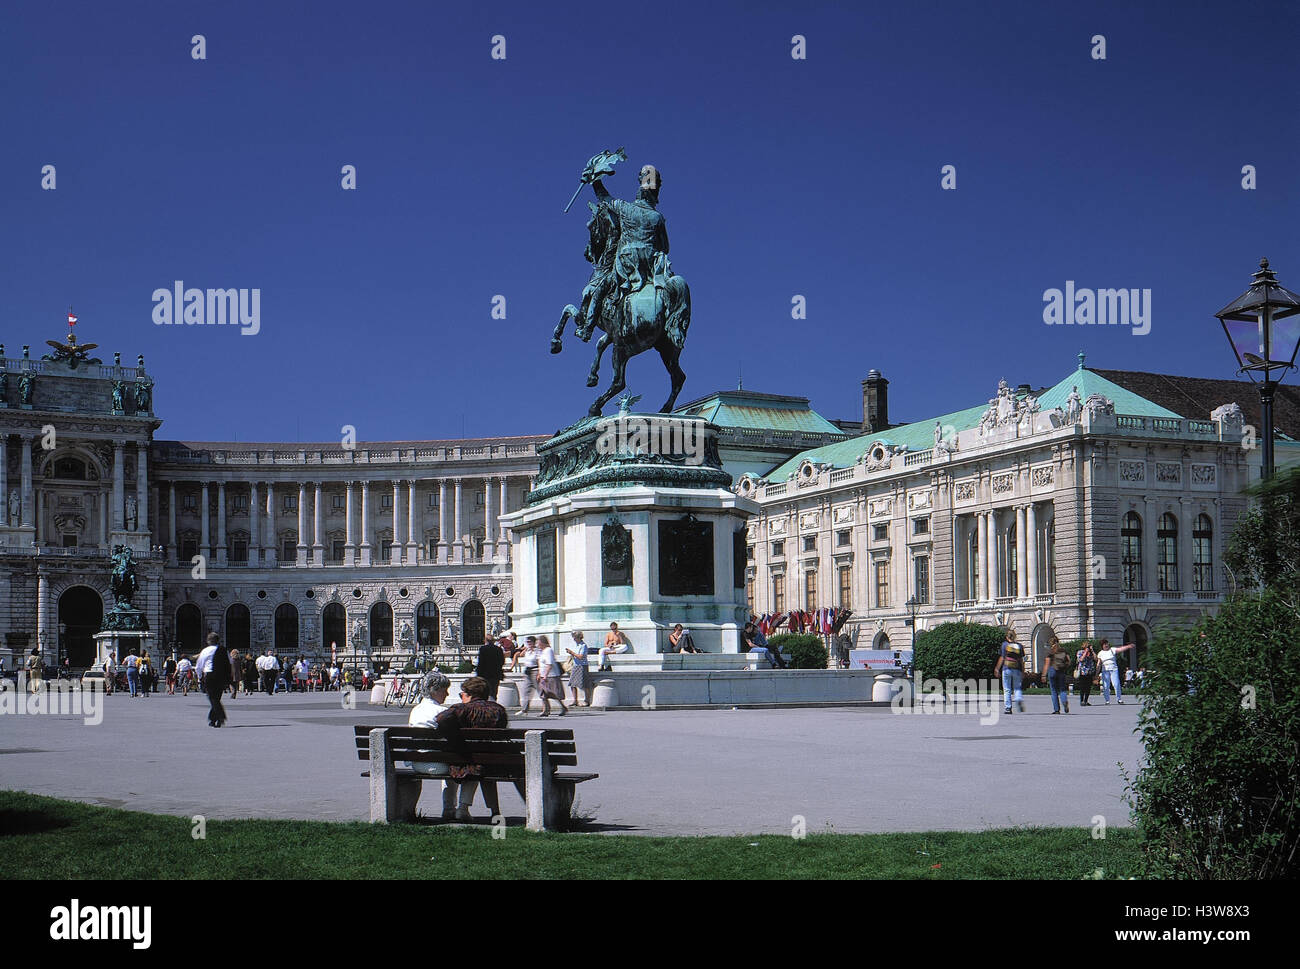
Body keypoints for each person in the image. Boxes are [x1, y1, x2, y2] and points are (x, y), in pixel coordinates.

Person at [431, 676, 509, 821]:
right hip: (495, 763)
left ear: (470, 694)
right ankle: (495, 811)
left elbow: (441, 719)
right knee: (480, 762)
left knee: (471, 762)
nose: (461, 698)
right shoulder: (498, 709)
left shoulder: (461, 709)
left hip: (466, 761)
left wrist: (455, 737)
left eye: (462, 695)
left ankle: (461, 808)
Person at [406, 671, 459, 818]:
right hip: (440, 765)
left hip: (416, 762)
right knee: (455, 765)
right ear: (434, 690)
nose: (447, 694)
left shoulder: (415, 710)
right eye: (444, 690)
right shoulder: (443, 712)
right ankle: (449, 809)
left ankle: (409, 811)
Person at [196, 633, 232, 727]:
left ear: (208, 641)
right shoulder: (223, 650)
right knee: (217, 698)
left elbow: (199, 665)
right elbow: (230, 662)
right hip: (221, 676)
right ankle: (213, 719)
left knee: (212, 698)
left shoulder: (205, 651)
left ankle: (221, 716)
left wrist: (199, 677)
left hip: (210, 675)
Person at [994, 628, 1026, 714]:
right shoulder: (1019, 646)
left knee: (1007, 689)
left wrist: (997, 668)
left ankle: (1008, 708)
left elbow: (1002, 657)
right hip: (1017, 669)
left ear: (1006, 637)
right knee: (1017, 687)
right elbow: (1021, 660)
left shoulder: (1004, 645)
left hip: (1006, 668)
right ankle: (1018, 699)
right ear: (1015, 636)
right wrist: (1023, 671)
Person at [1096, 638, 1137, 705]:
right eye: (1105, 644)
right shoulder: (1100, 653)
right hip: (1105, 671)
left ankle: (1119, 699)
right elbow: (1099, 663)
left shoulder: (1112, 650)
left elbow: (1120, 649)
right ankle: (1107, 700)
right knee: (1106, 686)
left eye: (1107, 643)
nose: (1106, 645)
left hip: (1113, 669)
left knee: (1116, 684)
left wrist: (1128, 646)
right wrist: (1096, 673)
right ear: (1102, 646)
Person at [536, 635, 568, 717]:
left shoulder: (548, 650)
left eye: (538, 643)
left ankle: (563, 707)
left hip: (551, 676)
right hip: (544, 675)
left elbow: (549, 664)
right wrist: (540, 674)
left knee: (554, 693)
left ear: (543, 643)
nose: (537, 645)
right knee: (543, 694)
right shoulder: (542, 651)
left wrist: (545, 675)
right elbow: (541, 665)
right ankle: (546, 710)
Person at [1040, 635, 1072, 714]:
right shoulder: (1063, 650)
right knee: (1062, 689)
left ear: (1051, 643)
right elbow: (1069, 661)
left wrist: (1043, 675)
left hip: (1052, 671)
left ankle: (1056, 709)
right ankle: (1064, 701)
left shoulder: (1050, 651)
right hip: (1061, 671)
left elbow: (1047, 664)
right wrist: (1064, 667)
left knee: (1054, 691)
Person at [565, 630, 594, 707]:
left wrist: (572, 653)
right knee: (572, 684)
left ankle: (587, 700)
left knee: (584, 684)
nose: (574, 639)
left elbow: (581, 657)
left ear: (579, 637)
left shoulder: (583, 645)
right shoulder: (576, 645)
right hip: (575, 665)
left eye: (575, 638)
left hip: (582, 666)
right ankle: (575, 700)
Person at [475, 633, 506, 701]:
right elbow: (502, 662)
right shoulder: (499, 649)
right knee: (493, 693)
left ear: (485, 640)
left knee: (484, 692)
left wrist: (478, 674)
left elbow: (481, 662)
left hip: (484, 674)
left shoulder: (483, 649)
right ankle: (493, 706)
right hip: (495, 674)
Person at [515, 636, 540, 715]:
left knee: (541, 692)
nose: (528, 643)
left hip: (535, 671)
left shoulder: (537, 651)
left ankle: (548, 707)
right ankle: (524, 710)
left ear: (534, 642)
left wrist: (539, 673)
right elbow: (521, 655)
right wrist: (526, 648)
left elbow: (539, 662)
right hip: (528, 672)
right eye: (527, 642)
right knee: (526, 691)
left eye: (530, 642)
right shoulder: (527, 650)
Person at [1074, 641, 1097, 706]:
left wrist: (1092, 651)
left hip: (1089, 672)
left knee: (1088, 687)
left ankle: (1086, 700)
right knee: (1082, 687)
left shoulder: (1091, 653)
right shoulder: (1080, 652)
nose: (1089, 648)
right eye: (1088, 646)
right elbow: (1081, 659)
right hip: (1082, 672)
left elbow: (1096, 659)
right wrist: (1085, 652)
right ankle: (1082, 700)